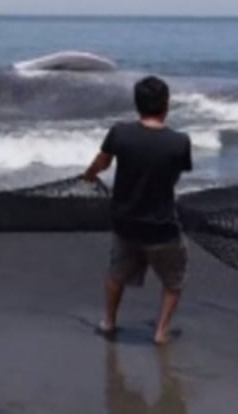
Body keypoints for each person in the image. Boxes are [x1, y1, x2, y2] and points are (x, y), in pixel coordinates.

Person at [83, 76, 192, 346]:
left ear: (137, 105)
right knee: (173, 281)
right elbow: (174, 177)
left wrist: (88, 175)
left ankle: (109, 322)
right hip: (162, 227)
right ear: (166, 105)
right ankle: (161, 331)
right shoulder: (180, 142)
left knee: (116, 274)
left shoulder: (120, 133)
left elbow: (102, 163)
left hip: (125, 223)